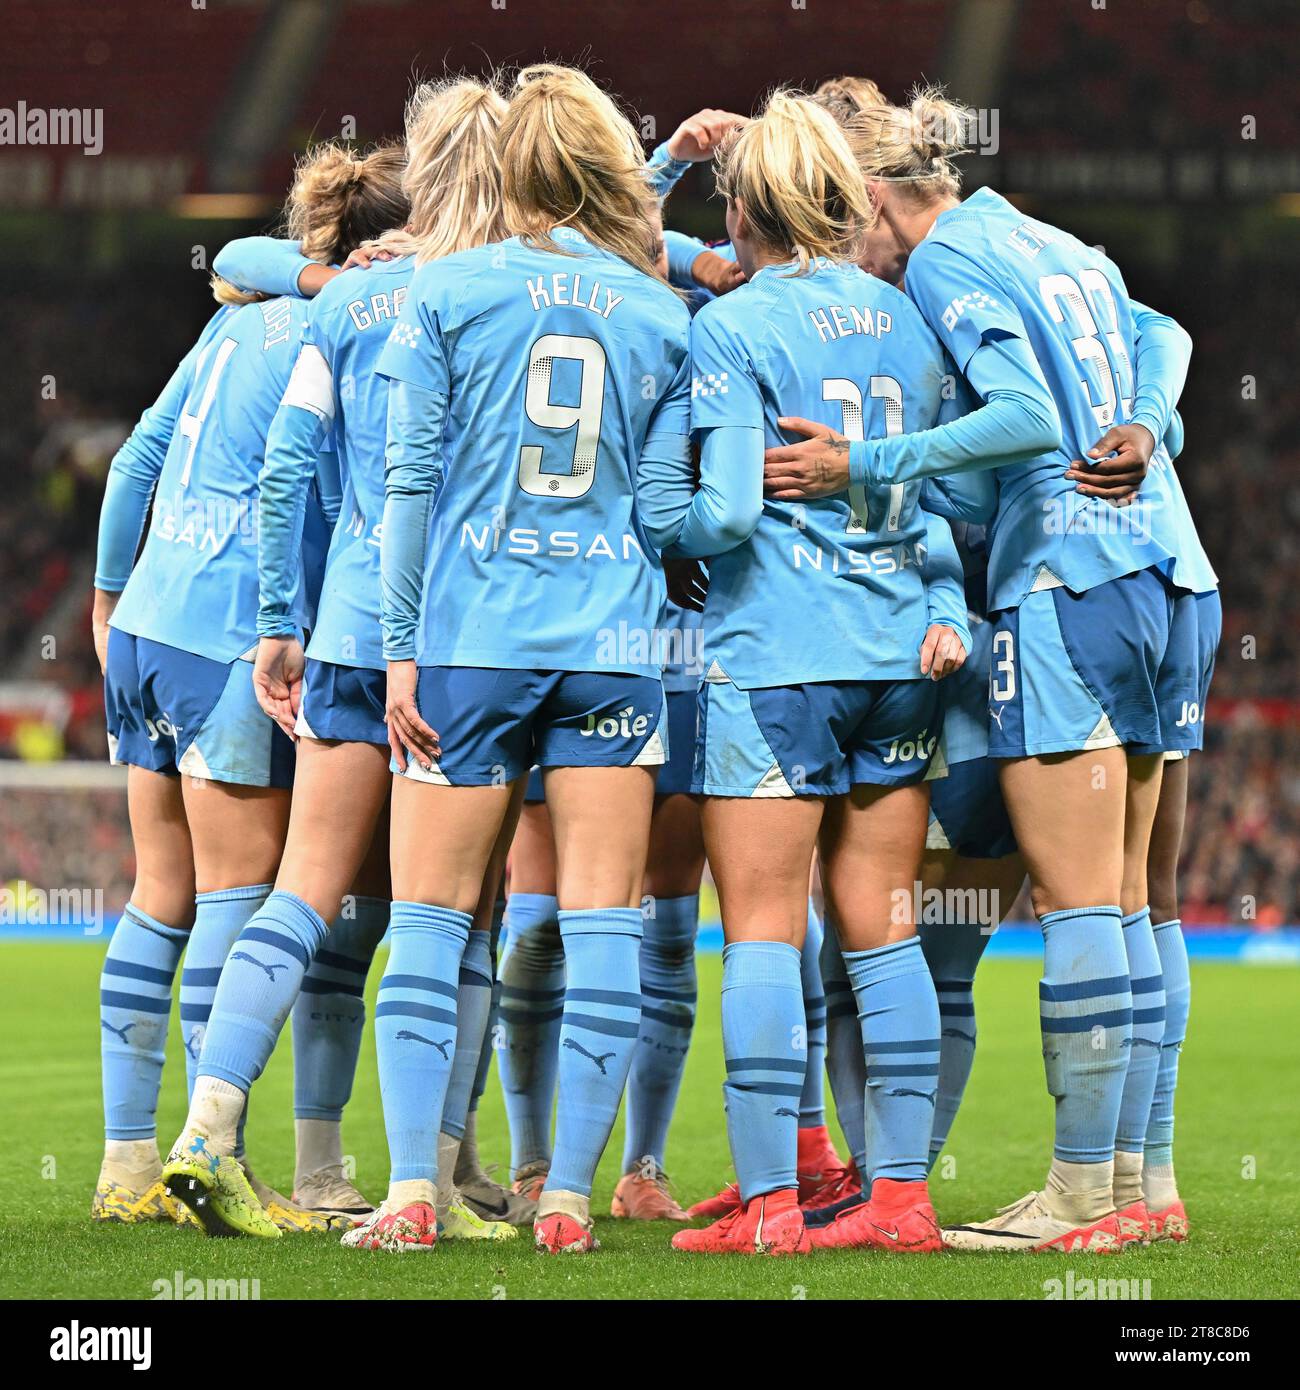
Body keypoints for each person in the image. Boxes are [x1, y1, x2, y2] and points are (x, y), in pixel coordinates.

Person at [761, 90, 1216, 1252]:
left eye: (840, 221)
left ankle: (1074, 1196)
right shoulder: (1050, 238)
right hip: (1172, 571)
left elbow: (1013, 418)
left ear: (872, 199)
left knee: (1077, 898)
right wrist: (1150, 422)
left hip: (1062, 575)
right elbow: (1165, 336)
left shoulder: (941, 269)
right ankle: (1139, 1178)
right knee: (1138, 897)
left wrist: (870, 462)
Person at [161, 79, 525, 1241]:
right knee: (457, 911)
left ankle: (205, 1134)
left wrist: (281, 619)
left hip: (346, 625)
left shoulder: (353, 302)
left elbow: (282, 474)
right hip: (465, 637)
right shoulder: (517, 295)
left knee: (303, 888)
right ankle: (440, 1178)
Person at [349, 62, 693, 1255]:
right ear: (605, 161)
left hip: (471, 647)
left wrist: (398, 655)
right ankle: (566, 1199)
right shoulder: (657, 311)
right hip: (613, 646)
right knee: (604, 923)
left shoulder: (446, 290)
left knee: (433, 918)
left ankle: (406, 1191)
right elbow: (663, 506)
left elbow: (407, 485)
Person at [637, 89, 969, 1257]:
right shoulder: (908, 321)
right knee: (881, 929)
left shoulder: (730, 329)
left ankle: (773, 1205)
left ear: (742, 207)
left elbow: (723, 515)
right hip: (897, 658)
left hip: (777, 656)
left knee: (766, 932)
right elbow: (929, 501)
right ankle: (898, 1198)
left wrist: (655, 514)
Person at [94, 141, 409, 1237]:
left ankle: (125, 1158)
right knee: (238, 896)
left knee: (155, 893)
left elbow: (137, 455)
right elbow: (304, 482)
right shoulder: (342, 327)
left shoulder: (232, 319)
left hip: (146, 623)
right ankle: (206, 1162)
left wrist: (104, 595)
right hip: (232, 631)